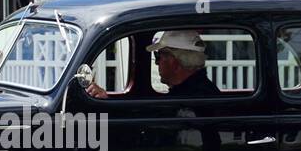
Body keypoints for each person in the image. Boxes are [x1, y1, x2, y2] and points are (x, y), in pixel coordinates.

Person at [86, 29, 220, 98]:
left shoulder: (191, 97)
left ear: (174, 61)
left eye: (158, 55)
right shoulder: (198, 90)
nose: (156, 63)